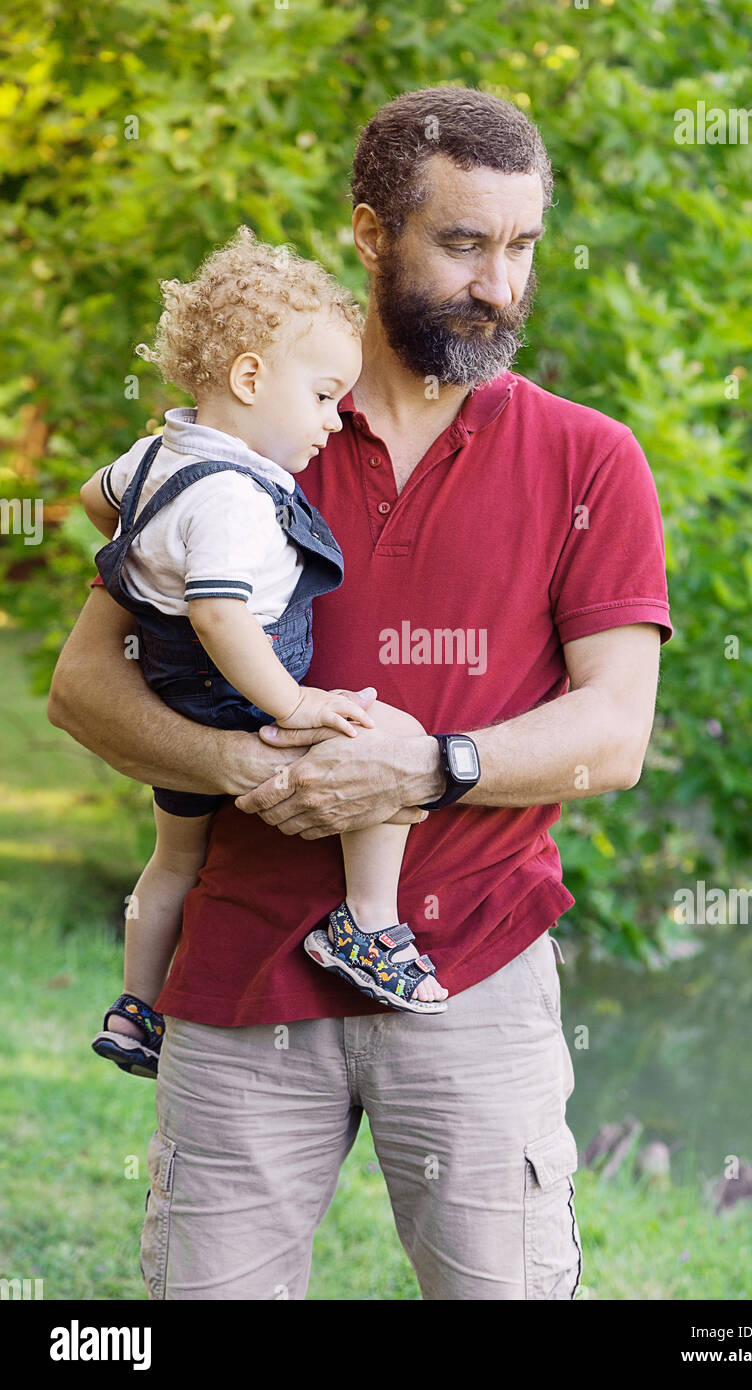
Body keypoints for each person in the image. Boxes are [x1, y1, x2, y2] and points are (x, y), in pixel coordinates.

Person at [49, 85, 673, 1300]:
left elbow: (615, 732)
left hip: (470, 979)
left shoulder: (588, 460)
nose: (498, 282)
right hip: (234, 980)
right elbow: (82, 689)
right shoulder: (247, 441)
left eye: (522, 246)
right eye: (461, 243)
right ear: (371, 233)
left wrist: (430, 767)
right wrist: (246, 769)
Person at [82, 231, 449, 1080]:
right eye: (323, 397)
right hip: (231, 694)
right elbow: (219, 615)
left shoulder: (156, 456)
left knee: (174, 857)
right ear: (250, 380)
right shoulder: (234, 499)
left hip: (172, 697)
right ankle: (367, 922)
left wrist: (147, 558)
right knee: (390, 740)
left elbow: (97, 499)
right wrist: (294, 705)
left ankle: (136, 1007)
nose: (333, 420)